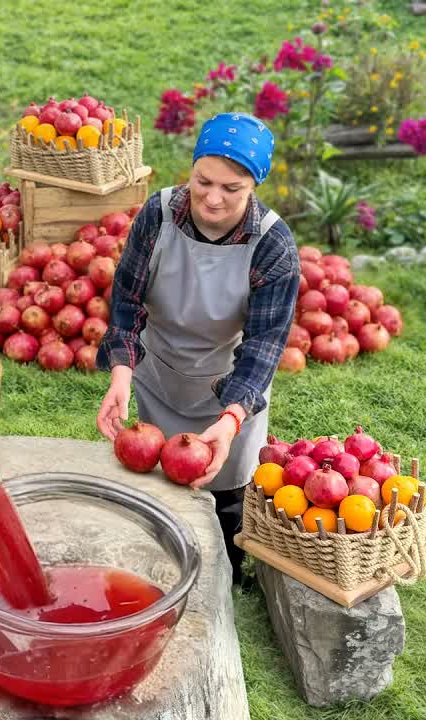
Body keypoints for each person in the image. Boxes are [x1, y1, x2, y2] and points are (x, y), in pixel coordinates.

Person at [96, 113, 300, 585]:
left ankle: (222, 575)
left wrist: (230, 422)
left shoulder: (273, 245)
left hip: (226, 386)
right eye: (203, 181)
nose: (212, 197)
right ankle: (152, 563)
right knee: (153, 481)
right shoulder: (159, 213)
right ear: (190, 169)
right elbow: (126, 299)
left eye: (232, 188)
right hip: (158, 370)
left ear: (255, 184)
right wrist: (121, 374)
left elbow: (264, 349)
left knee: (226, 488)